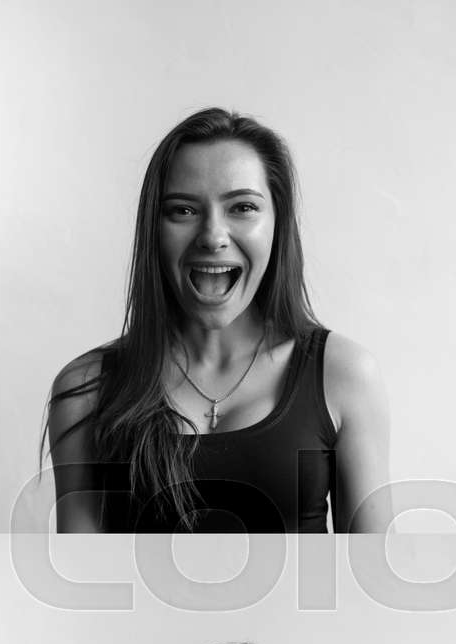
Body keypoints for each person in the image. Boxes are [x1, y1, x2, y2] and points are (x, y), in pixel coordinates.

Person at [47, 109, 392, 532]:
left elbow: (372, 583)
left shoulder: (343, 374)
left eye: (243, 207)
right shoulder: (86, 389)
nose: (213, 236)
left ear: (277, 225)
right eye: (184, 210)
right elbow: (80, 582)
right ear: (153, 228)